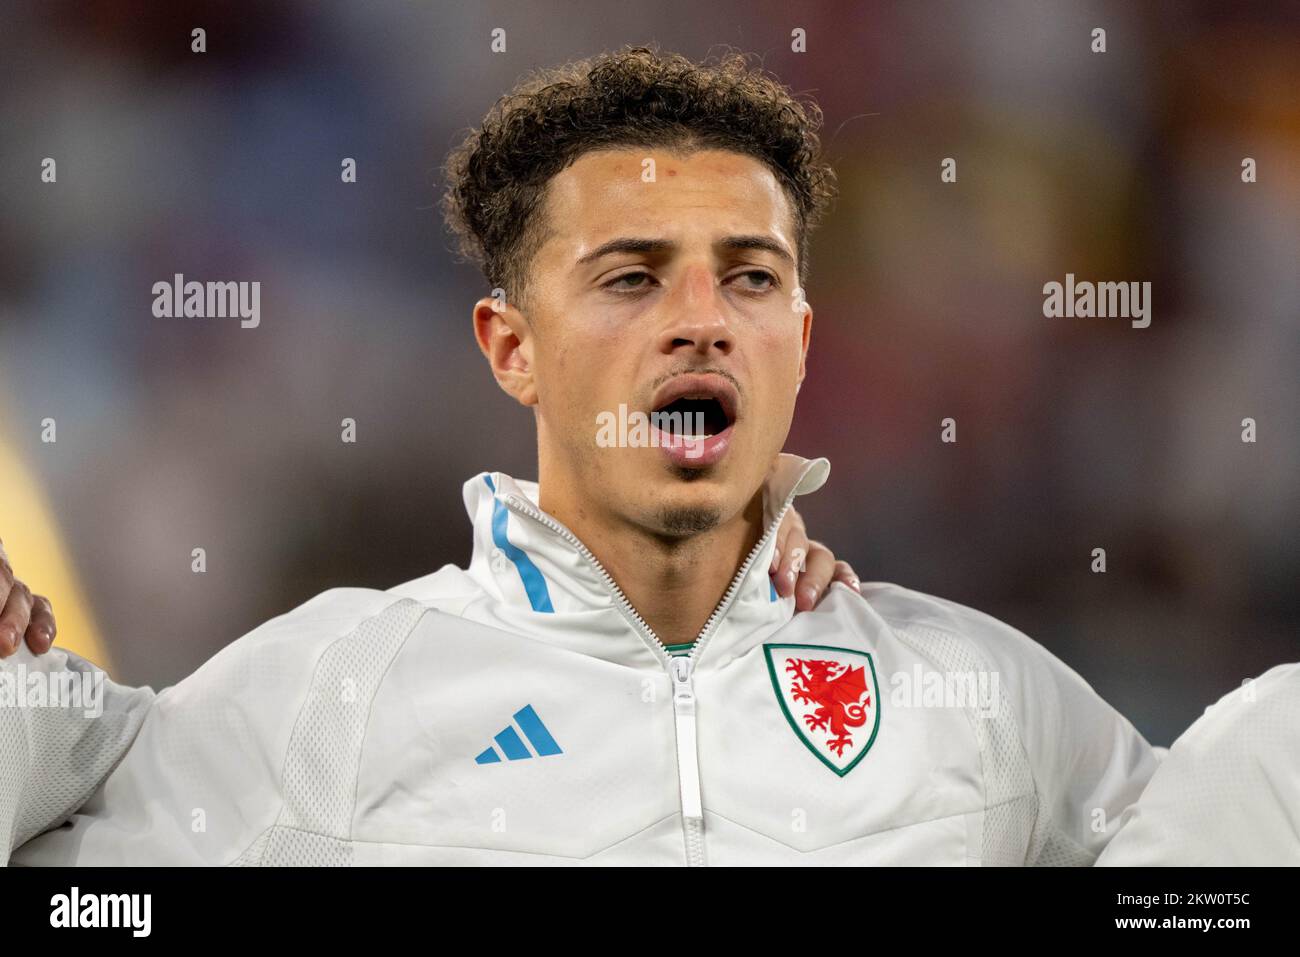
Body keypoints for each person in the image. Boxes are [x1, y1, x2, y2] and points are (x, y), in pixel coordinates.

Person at [3, 46, 1158, 866]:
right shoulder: (328, 700)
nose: (702, 319)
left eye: (750, 277)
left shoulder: (979, 697)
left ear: (800, 342)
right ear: (512, 348)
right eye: (631, 276)